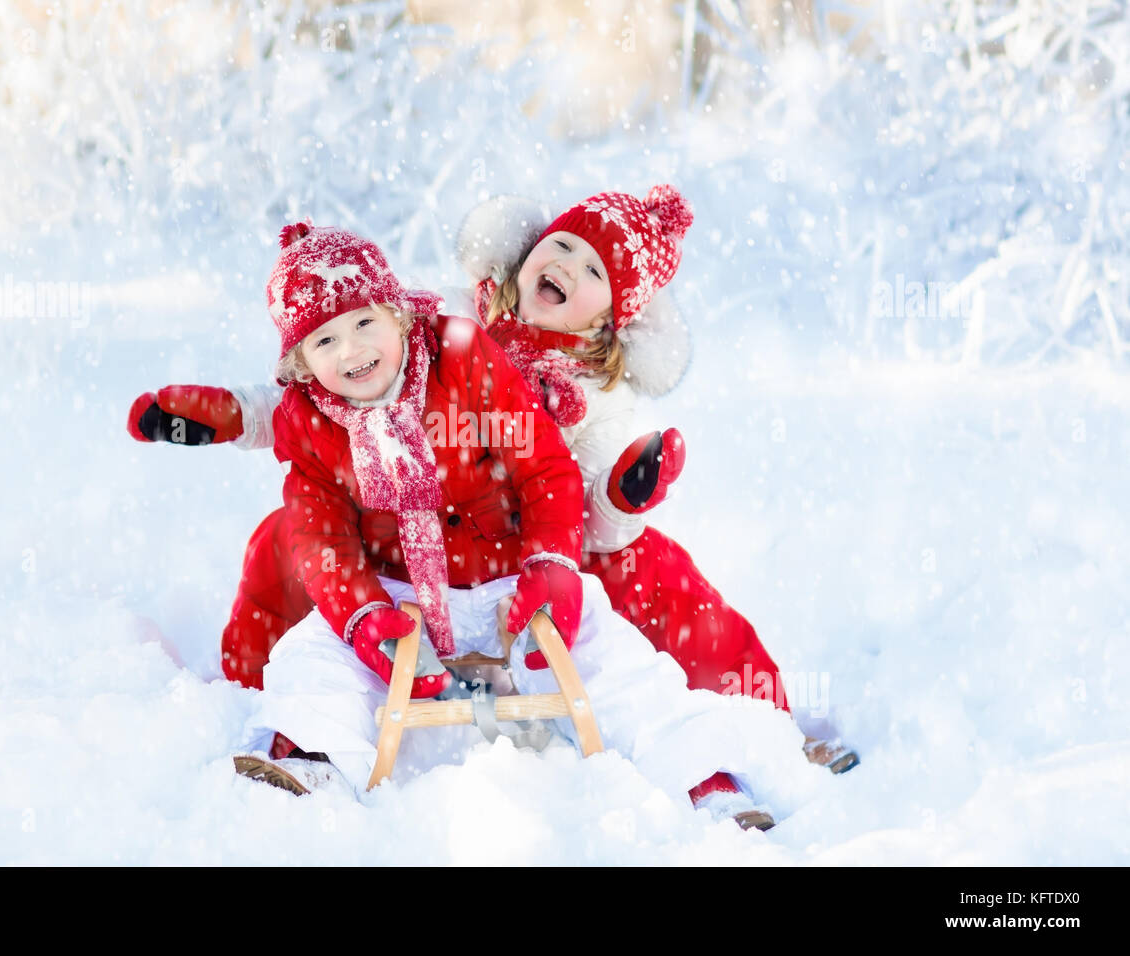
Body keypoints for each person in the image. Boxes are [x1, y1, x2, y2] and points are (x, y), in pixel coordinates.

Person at [226, 220, 812, 820]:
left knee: (616, 658)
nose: (351, 349)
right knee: (315, 651)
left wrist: (553, 563)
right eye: (324, 342)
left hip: (511, 577)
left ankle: (700, 775)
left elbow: (546, 467)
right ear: (300, 365)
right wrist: (361, 613)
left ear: (398, 314)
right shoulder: (310, 422)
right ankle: (308, 754)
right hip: (398, 595)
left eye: (363, 323)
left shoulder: (461, 352)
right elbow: (320, 537)